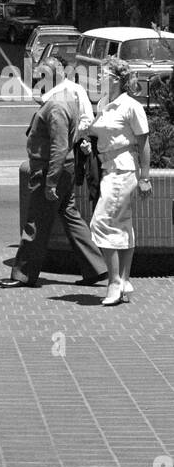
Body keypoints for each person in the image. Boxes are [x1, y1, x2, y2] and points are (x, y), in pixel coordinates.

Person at [0, 48, 106, 289]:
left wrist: (49, 182)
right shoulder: (64, 97)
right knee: (70, 216)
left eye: (40, 76)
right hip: (60, 169)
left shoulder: (57, 105)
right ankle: (97, 267)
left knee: (36, 222)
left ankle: (24, 274)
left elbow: (59, 147)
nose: (36, 81)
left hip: (50, 169)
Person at [75, 59, 152, 307]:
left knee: (101, 221)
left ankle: (114, 282)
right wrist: (89, 144)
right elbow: (103, 134)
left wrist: (145, 177)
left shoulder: (130, 106)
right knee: (121, 224)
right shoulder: (104, 104)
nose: (99, 78)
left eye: (104, 74)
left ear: (118, 79)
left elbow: (143, 143)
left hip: (123, 169)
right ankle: (125, 280)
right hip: (108, 167)